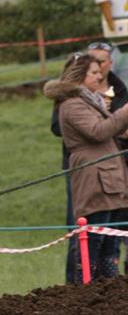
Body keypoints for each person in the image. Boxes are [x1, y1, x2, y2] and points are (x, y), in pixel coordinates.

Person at [45, 52, 128, 281]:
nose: (99, 77)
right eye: (94, 73)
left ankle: (110, 292)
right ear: (79, 75)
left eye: (100, 73)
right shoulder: (72, 105)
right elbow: (97, 131)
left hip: (109, 179)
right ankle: (85, 292)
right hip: (94, 179)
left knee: (110, 245)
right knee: (93, 241)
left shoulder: (92, 101)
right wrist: (125, 112)